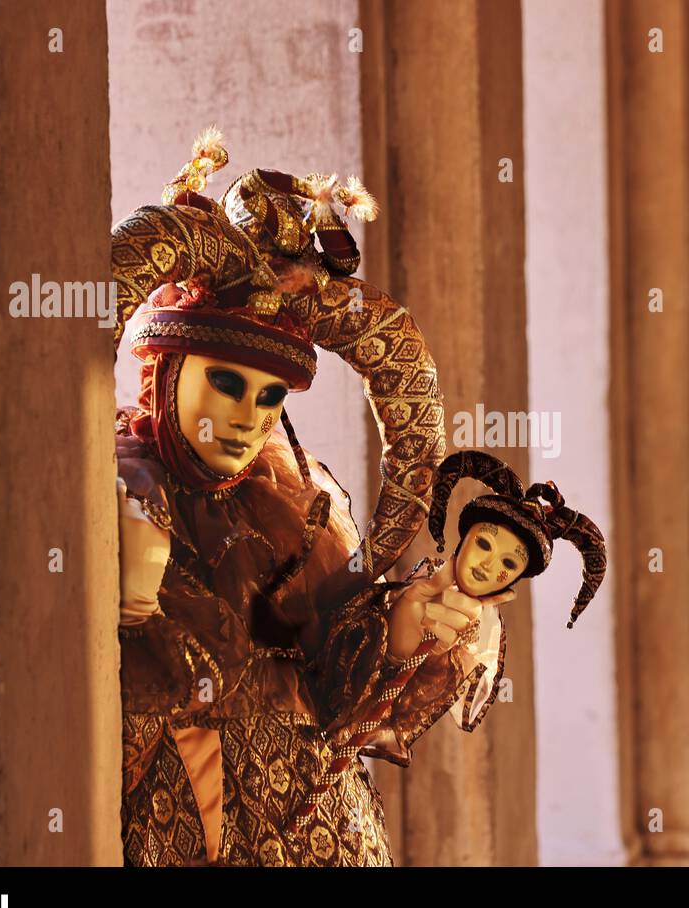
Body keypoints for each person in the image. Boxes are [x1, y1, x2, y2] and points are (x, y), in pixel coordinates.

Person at [110, 133, 510, 866]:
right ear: (166, 371)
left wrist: (399, 631)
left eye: (269, 396)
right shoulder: (119, 494)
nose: (247, 418)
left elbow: (332, 696)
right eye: (225, 382)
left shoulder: (294, 518)